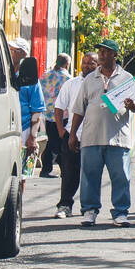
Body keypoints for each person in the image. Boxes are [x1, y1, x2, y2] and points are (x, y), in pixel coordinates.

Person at [68, 39, 135, 227]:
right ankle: (89, 210)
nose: (101, 55)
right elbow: (79, 109)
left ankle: (120, 212)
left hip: (118, 137)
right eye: (100, 52)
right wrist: (73, 133)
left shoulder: (126, 78)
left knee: (121, 176)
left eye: (106, 52)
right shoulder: (89, 79)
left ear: (115, 55)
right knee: (90, 175)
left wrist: (133, 105)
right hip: (91, 136)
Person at [52, 51, 94, 218]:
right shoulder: (71, 84)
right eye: (84, 62)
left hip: (94, 137)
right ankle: (64, 205)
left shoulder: (103, 84)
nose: (87, 66)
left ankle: (89, 208)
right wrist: (62, 131)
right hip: (72, 136)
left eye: (91, 63)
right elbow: (59, 107)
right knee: (69, 173)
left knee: (90, 174)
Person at [39, 53, 72, 177]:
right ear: (67, 64)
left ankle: (48, 169)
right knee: (60, 143)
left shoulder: (45, 76)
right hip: (62, 116)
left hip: (46, 115)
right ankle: (59, 170)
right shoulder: (68, 78)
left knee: (50, 142)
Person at [16, 56, 45, 174]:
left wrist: (32, 137)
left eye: (16, 51)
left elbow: (37, 110)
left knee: (23, 174)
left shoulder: (31, 80)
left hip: (24, 129)